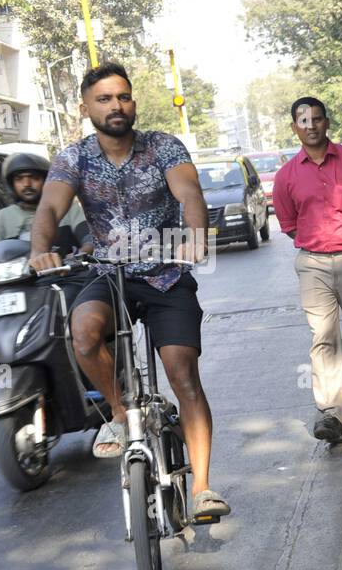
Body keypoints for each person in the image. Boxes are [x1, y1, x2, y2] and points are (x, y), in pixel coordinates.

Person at [28, 61, 229, 520]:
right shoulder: (73, 157)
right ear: (85, 108)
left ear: (132, 101)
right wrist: (41, 249)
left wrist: (195, 235)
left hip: (166, 275)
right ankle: (120, 412)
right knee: (83, 334)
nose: (116, 106)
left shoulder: (162, 146)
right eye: (104, 99)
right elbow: (50, 206)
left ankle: (202, 488)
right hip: (108, 274)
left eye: (123, 97)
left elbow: (189, 192)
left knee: (183, 376)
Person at [272, 96, 342, 446]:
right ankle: (332, 411)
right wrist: (319, 243)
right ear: (294, 127)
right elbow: (289, 223)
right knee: (323, 334)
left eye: (316, 119)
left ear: (326, 122)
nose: (311, 126)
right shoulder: (287, 175)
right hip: (312, 262)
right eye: (303, 121)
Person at [0, 153, 90, 247]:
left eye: (34, 177)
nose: (26, 184)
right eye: (19, 179)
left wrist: (84, 252)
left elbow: (88, 237)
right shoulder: (2, 217)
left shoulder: (69, 209)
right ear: (12, 185)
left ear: (47, 181)